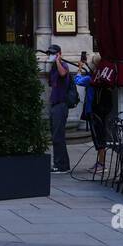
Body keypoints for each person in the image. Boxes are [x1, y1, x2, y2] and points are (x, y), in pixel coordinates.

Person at [76, 54, 111, 175]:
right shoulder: (104, 77)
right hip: (102, 112)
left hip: (94, 112)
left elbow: (78, 80)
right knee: (101, 137)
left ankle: (101, 164)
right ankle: (100, 163)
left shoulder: (92, 79)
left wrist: (79, 68)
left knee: (99, 138)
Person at [47, 44, 72, 174]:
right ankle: (63, 164)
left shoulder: (63, 66)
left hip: (61, 105)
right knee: (56, 136)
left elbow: (63, 73)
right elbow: (51, 82)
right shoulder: (53, 68)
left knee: (58, 136)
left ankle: (60, 165)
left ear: (59, 53)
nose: (50, 55)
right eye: (49, 53)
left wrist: (58, 60)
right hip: (54, 104)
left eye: (53, 53)